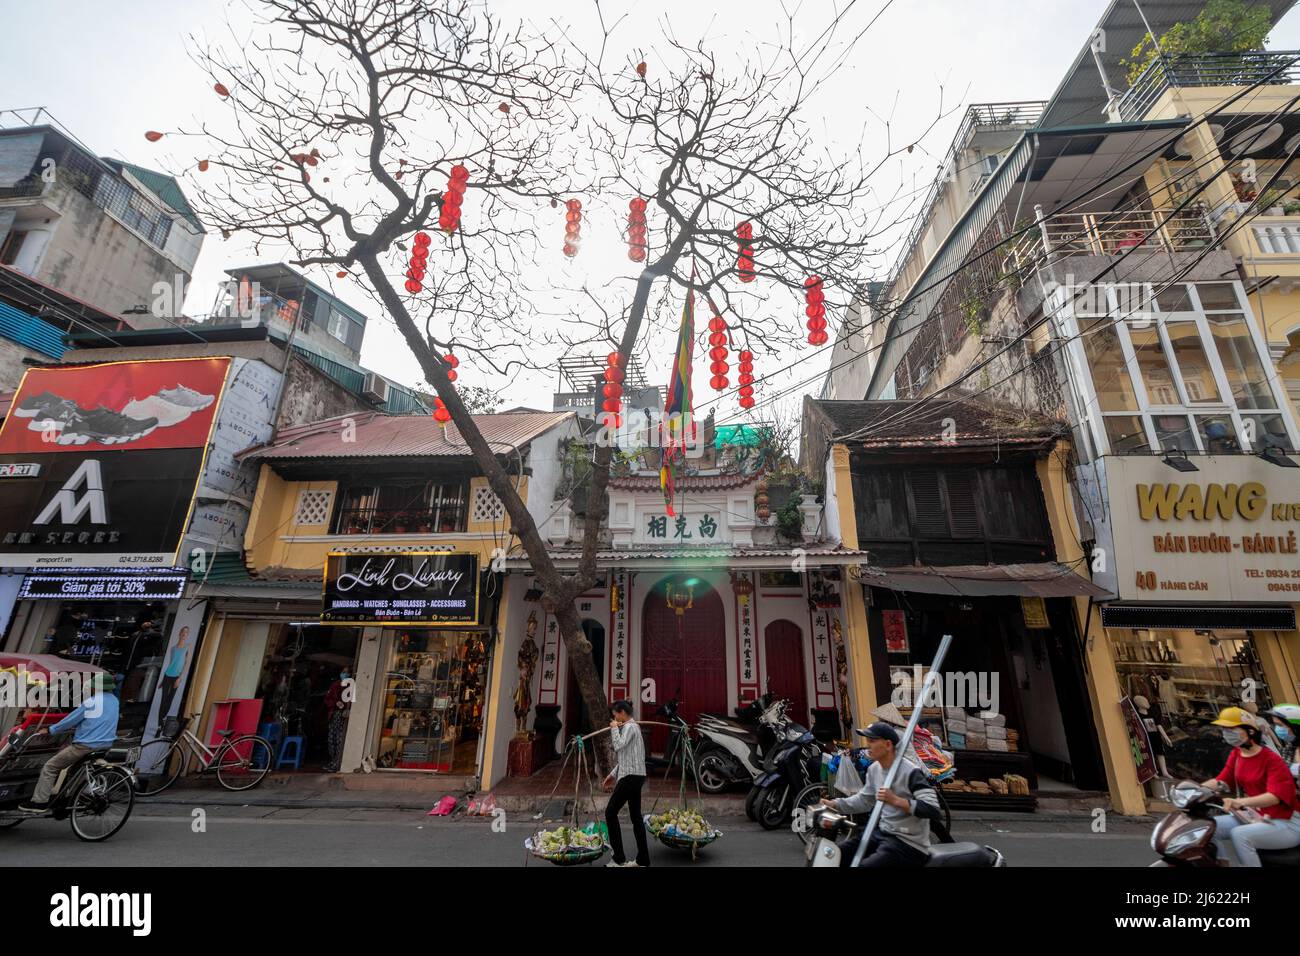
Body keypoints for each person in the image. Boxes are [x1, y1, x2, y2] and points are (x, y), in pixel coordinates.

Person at [821, 721, 943, 867]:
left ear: (888, 745)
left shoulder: (910, 772)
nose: (868, 746)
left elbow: (932, 809)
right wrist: (835, 804)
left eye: (872, 741)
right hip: (883, 833)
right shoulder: (874, 770)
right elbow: (864, 800)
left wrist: (896, 800)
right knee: (834, 855)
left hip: (908, 843)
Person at [1200, 706, 1300, 867]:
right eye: (1224, 729)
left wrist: (1241, 802)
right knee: (1206, 828)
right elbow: (1222, 779)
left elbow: (1276, 796)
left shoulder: (1272, 759)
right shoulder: (1239, 754)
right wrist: (1193, 790)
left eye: (1231, 729)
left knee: (1239, 835)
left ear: (1250, 731)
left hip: (1285, 817)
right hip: (1255, 814)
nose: (1226, 733)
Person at [19, 673, 120, 814]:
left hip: (85, 746)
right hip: (105, 745)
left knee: (50, 767)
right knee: (73, 771)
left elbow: (70, 720)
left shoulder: (92, 701)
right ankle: (69, 799)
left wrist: (50, 729)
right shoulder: (115, 701)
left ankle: (39, 802)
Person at [602, 700, 649, 867]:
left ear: (622, 712)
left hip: (630, 777)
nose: (614, 718)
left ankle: (618, 859)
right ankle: (643, 860)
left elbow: (618, 746)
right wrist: (613, 775)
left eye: (615, 715)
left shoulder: (629, 727)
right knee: (636, 817)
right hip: (635, 776)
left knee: (610, 813)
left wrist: (614, 728)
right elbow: (626, 757)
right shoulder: (633, 728)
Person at [323, 668, 352, 773]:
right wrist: (335, 703)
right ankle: (333, 760)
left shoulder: (350, 686)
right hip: (334, 714)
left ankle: (337, 762)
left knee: (340, 739)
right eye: (343, 672)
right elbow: (327, 699)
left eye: (347, 672)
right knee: (332, 739)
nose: (345, 674)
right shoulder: (335, 685)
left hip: (343, 715)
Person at [1267, 704, 1300, 780]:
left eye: (1279, 725)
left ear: (1295, 727)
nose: (1277, 728)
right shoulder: (1290, 746)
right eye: (1275, 724)